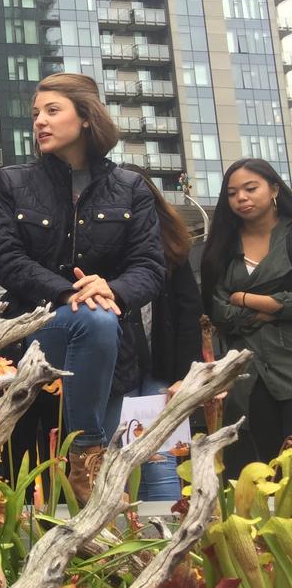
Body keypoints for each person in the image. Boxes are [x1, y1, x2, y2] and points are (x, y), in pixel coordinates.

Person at [0, 73, 165, 504]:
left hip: (110, 348)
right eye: (35, 115)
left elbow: (150, 266)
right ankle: (87, 447)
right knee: (28, 485)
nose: (40, 123)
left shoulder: (131, 187)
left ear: (86, 117)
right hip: (36, 335)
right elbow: (7, 260)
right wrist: (70, 293)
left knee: (91, 504)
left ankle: (88, 461)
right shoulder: (12, 182)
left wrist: (114, 289)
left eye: (52, 111)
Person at [101, 164, 200, 501]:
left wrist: (185, 374)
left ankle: (167, 543)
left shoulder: (169, 240)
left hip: (162, 365)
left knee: (160, 459)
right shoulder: (97, 240)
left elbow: (189, 312)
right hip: (115, 367)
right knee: (116, 460)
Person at [201, 158, 292, 473]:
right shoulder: (222, 245)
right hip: (244, 370)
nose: (241, 198)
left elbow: (233, 302)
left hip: (288, 358)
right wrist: (272, 310)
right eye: (232, 193)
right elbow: (218, 310)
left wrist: (247, 298)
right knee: (254, 467)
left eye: (250, 188)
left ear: (274, 189)